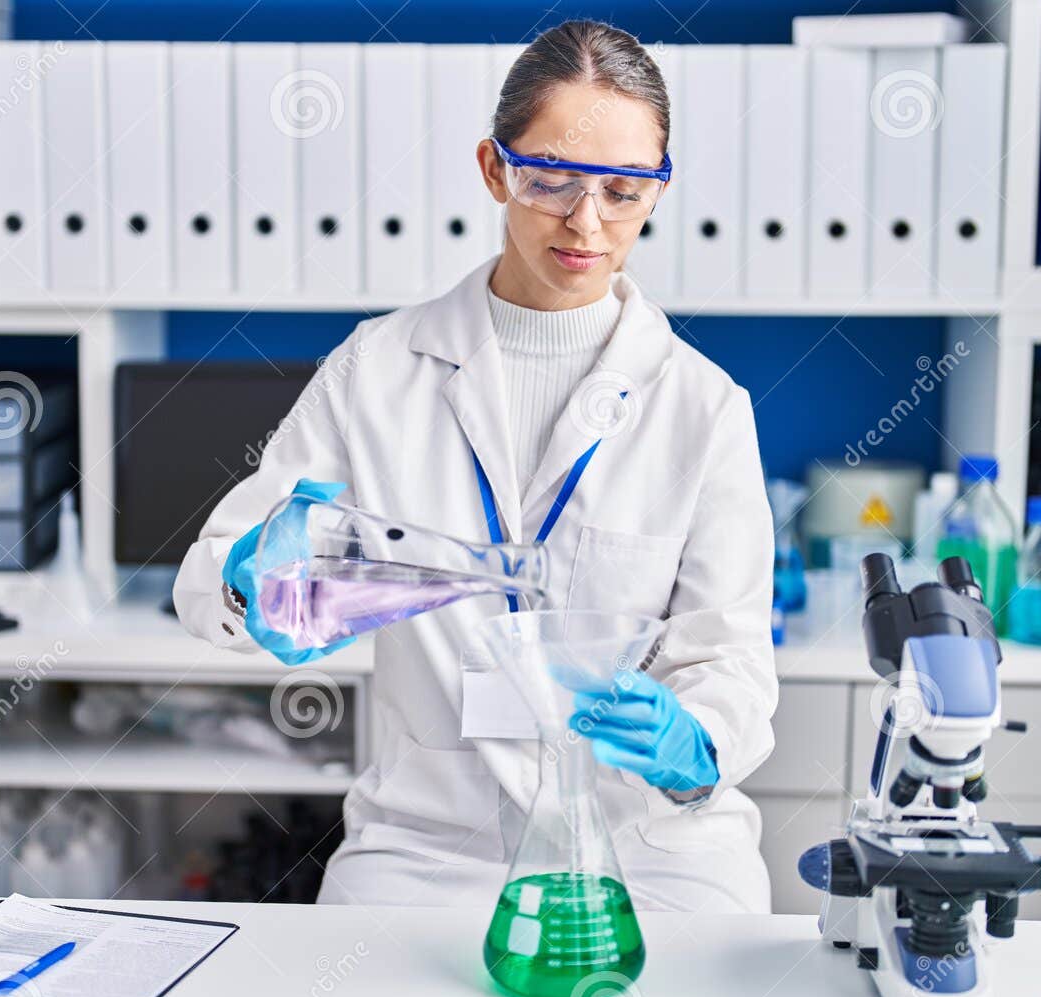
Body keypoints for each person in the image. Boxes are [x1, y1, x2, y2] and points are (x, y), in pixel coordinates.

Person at [176, 19, 777, 913]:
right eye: (551, 180)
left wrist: (693, 737)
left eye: (622, 189)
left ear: (659, 191)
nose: (586, 221)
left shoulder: (705, 406)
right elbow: (206, 581)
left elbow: (727, 654)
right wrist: (250, 578)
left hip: (650, 847)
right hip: (426, 847)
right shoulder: (376, 369)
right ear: (495, 169)